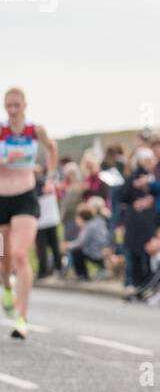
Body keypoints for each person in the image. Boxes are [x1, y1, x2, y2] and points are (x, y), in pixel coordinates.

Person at [0, 87, 57, 338]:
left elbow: (52, 148)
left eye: (17, 106)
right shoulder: (1, 131)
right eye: (8, 106)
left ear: (25, 105)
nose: (13, 111)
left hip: (26, 195)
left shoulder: (36, 130)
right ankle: (6, 286)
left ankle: (22, 319)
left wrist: (51, 176)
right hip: (2, 198)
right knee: (5, 258)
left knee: (22, 255)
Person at [120, 148, 158, 292]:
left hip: (149, 220)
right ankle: (134, 281)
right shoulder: (132, 178)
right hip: (134, 221)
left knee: (148, 250)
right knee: (133, 250)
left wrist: (150, 198)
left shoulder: (155, 176)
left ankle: (148, 279)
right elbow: (123, 196)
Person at [66, 198, 112, 280]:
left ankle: (82, 275)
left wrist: (68, 245)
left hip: (97, 252)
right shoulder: (100, 221)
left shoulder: (89, 226)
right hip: (102, 249)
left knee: (76, 250)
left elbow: (81, 242)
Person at [35, 167, 63, 277]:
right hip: (46, 220)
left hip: (44, 220)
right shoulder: (47, 184)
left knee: (45, 247)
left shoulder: (42, 184)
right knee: (51, 246)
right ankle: (54, 267)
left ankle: (46, 270)